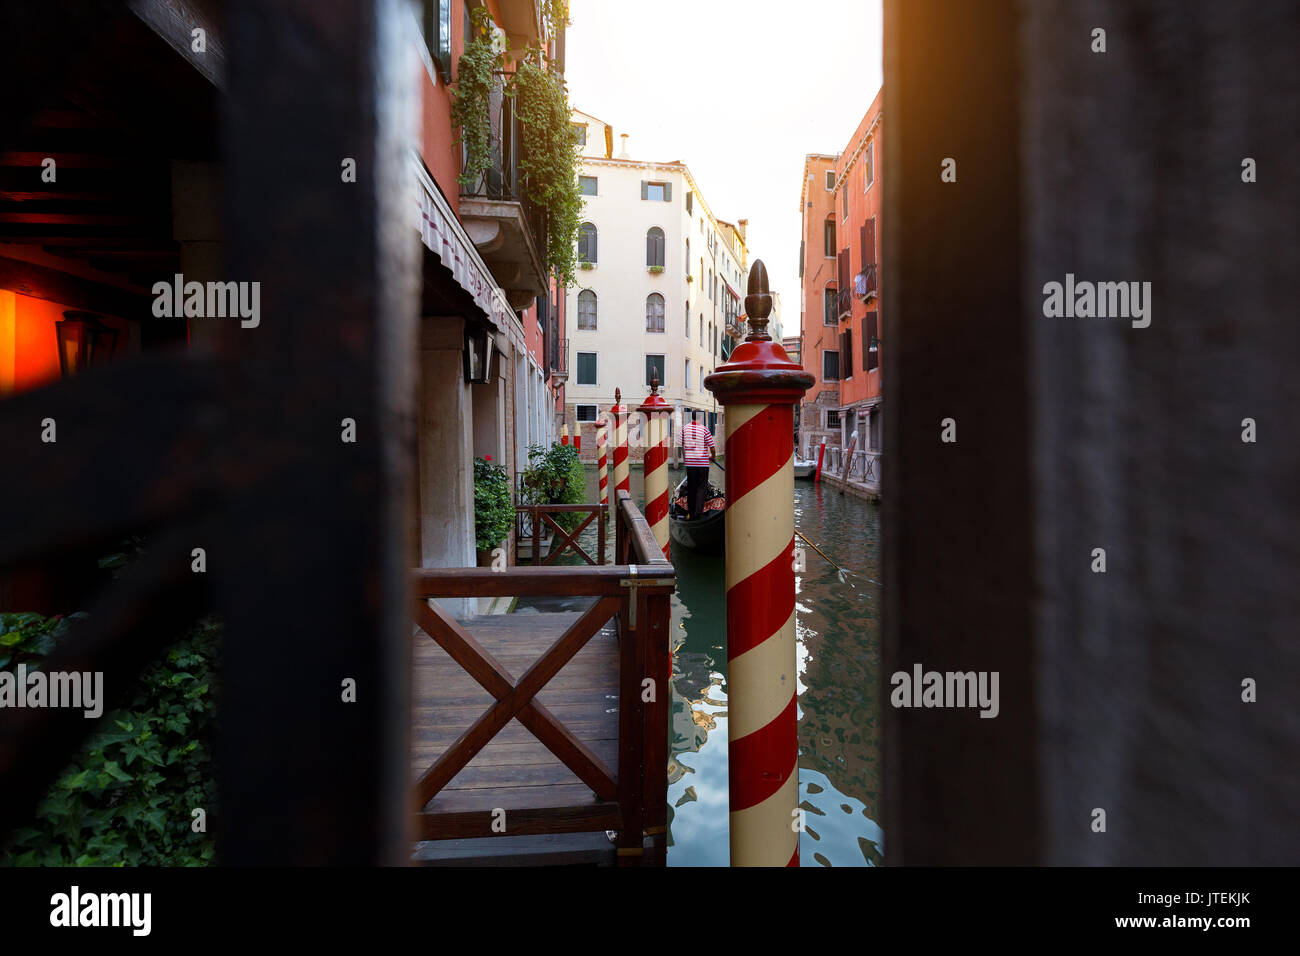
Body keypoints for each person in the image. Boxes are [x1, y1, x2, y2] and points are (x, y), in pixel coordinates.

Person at [680, 410, 715, 519]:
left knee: (691, 487)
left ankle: (690, 512)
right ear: (701, 417)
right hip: (703, 464)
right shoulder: (704, 429)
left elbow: (681, 443)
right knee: (701, 488)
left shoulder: (685, 428)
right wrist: (713, 456)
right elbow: (712, 447)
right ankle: (697, 513)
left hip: (690, 463)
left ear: (692, 417)